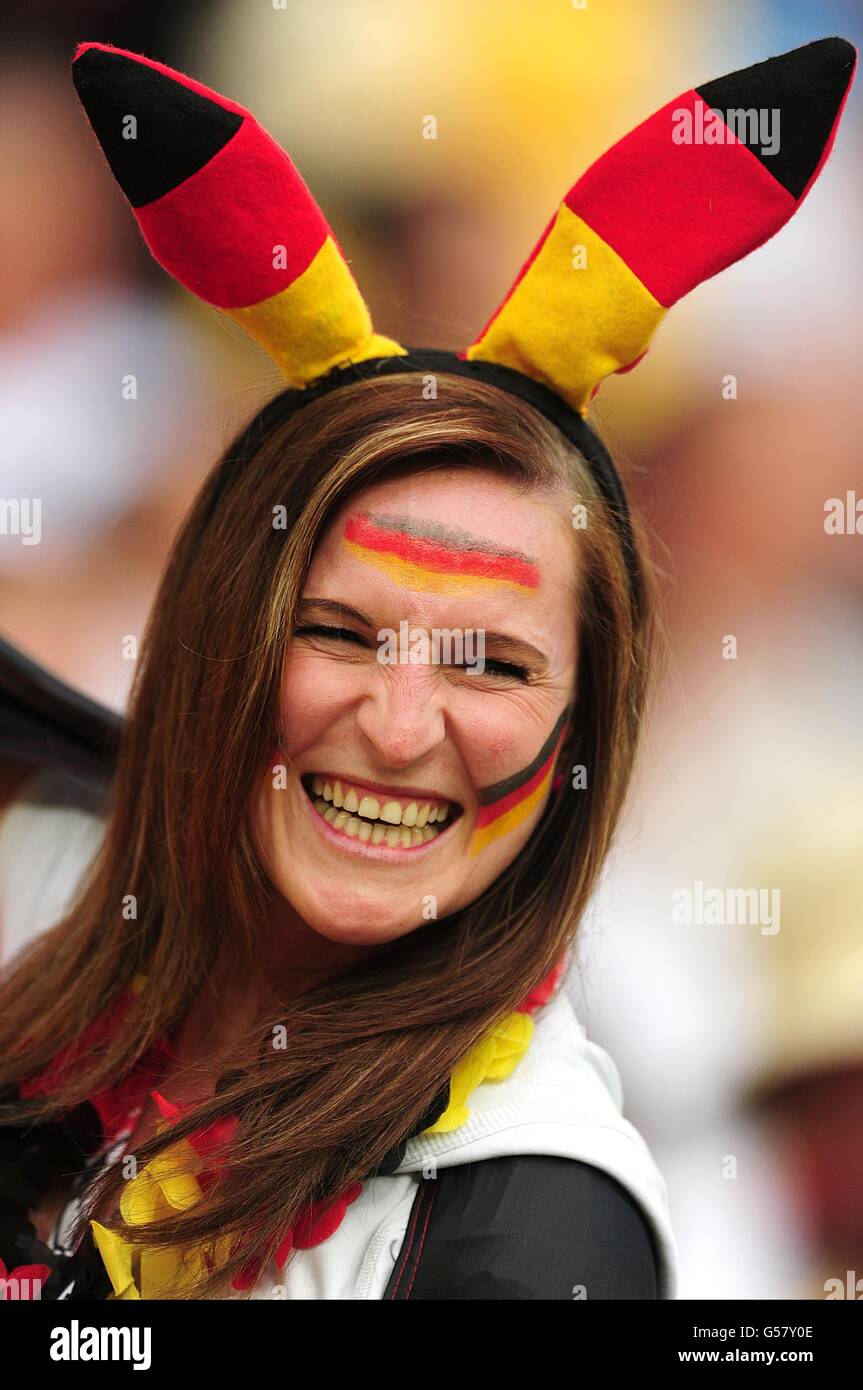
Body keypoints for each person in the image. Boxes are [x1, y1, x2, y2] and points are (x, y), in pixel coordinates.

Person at [0, 35, 854, 1301]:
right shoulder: (40, 932)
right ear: (214, 642)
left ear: (581, 734)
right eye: (339, 633)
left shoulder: (533, 1236)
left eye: (494, 667)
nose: (401, 729)